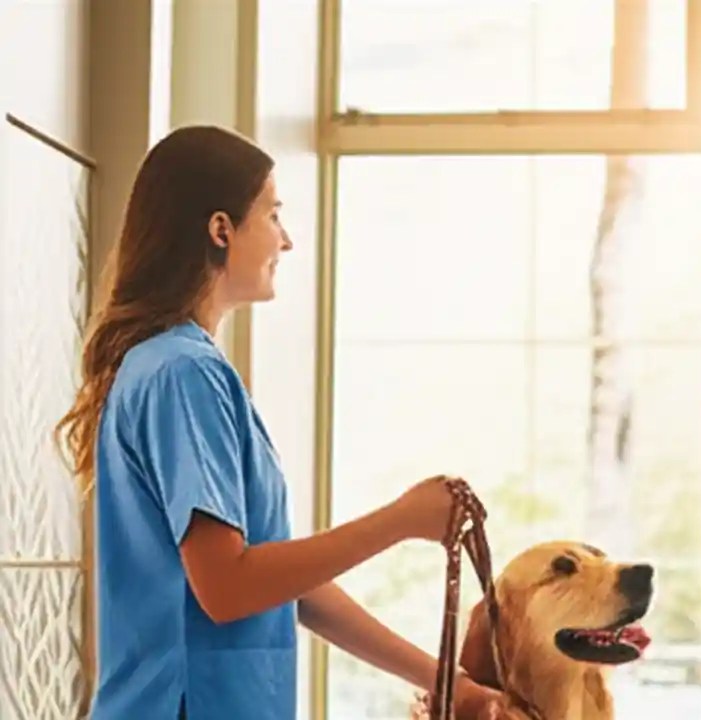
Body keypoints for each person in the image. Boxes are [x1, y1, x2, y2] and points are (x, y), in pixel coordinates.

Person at [54, 126, 513, 720]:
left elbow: (282, 586)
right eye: (273, 214)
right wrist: (402, 520)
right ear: (221, 230)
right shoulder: (183, 373)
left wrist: (450, 683)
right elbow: (228, 588)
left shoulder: (173, 367)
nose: (287, 240)